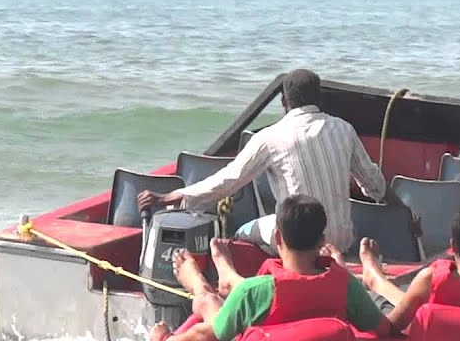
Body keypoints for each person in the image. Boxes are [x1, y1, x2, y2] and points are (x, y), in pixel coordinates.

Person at [137, 68, 393, 256]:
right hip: (341, 240)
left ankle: (266, 273)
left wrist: (175, 196)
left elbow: (229, 180)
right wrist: (402, 210)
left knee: (241, 232)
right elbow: (374, 183)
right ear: (319, 98)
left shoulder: (270, 137)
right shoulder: (344, 129)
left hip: (297, 241)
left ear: (284, 102)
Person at [149, 195, 394, 341]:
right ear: (322, 240)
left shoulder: (255, 291)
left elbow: (209, 333)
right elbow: (383, 328)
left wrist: (166, 340)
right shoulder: (345, 284)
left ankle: (199, 284)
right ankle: (226, 275)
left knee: (209, 301)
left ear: (277, 237)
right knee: (239, 298)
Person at [353, 205, 460, 331]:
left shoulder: (430, 280)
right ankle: (376, 279)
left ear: (453, 246)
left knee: (385, 301)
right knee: (415, 302)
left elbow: (391, 326)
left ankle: (375, 279)